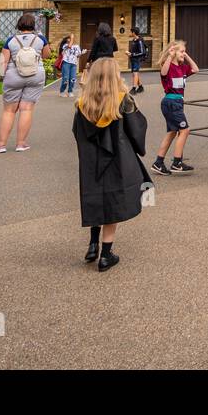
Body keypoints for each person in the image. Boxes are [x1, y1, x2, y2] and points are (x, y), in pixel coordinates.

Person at [73, 57, 149, 272]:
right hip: (117, 160)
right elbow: (136, 130)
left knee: (96, 198)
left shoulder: (82, 104)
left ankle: (92, 245)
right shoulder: (123, 100)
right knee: (113, 204)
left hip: (91, 162)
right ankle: (106, 255)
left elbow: (77, 134)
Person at [0, 14, 51, 154]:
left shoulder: (10, 40)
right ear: (33, 25)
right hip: (35, 76)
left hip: (14, 76)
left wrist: (2, 76)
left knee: (9, 110)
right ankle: (21, 143)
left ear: (19, 25)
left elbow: (3, 62)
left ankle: (1, 145)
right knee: (26, 109)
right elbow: (46, 55)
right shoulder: (40, 39)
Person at [152, 40, 199, 175]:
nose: (183, 54)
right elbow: (163, 72)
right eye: (182, 51)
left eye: (184, 51)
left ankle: (158, 163)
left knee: (172, 132)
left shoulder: (182, 67)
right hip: (171, 102)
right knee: (185, 130)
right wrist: (170, 56)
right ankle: (177, 162)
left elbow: (196, 69)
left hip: (177, 103)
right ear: (172, 52)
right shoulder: (168, 67)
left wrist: (186, 55)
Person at [127, 27, 146, 94]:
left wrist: (132, 54)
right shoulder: (134, 40)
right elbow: (133, 50)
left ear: (134, 33)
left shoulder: (139, 41)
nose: (130, 33)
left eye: (131, 32)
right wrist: (129, 53)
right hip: (133, 59)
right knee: (135, 74)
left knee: (135, 73)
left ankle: (134, 89)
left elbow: (142, 52)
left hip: (137, 60)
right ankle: (140, 87)